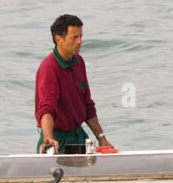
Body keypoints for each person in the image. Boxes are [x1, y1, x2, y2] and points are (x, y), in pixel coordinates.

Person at [34, 14, 115, 154]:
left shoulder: (79, 62)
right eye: (74, 38)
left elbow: (87, 105)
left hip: (78, 135)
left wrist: (102, 138)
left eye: (81, 36)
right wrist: (48, 138)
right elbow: (46, 108)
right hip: (57, 139)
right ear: (58, 39)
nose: (80, 42)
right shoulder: (49, 68)